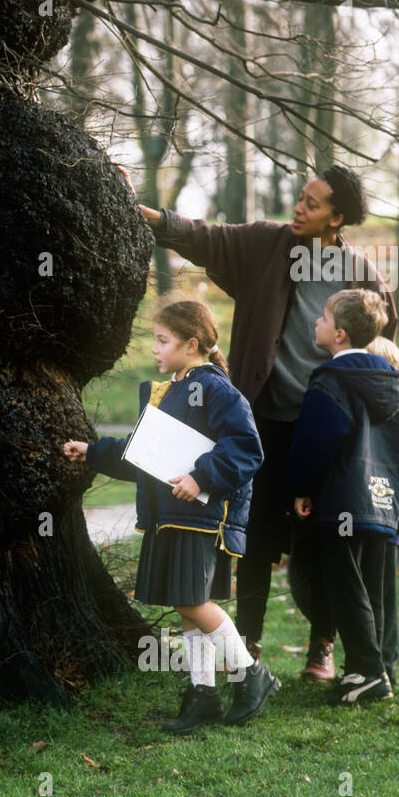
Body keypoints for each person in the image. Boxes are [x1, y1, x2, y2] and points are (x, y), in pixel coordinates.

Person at [138, 167, 396, 670]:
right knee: (254, 534)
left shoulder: (361, 274)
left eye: (313, 204)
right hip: (266, 422)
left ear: (338, 218)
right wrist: (143, 215)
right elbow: (204, 237)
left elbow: (382, 343)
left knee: (323, 537)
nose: (299, 208)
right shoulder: (268, 245)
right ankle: (248, 645)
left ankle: (323, 644)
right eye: (300, 198)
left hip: (328, 429)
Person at [62, 298, 276, 734]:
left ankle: (251, 674)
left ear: (192, 344)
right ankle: (203, 695)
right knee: (187, 607)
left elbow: (246, 449)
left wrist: (201, 478)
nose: (155, 350)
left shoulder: (216, 389)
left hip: (201, 515)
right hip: (170, 516)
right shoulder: (166, 390)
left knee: (191, 601)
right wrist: (93, 451)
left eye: (163, 341)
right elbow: (147, 454)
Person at [285, 291, 399, 706]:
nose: (315, 323)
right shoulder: (392, 383)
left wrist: (301, 489)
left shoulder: (329, 381)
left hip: (341, 505)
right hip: (382, 506)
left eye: (322, 318)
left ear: (339, 334)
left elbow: (316, 441)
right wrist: (397, 495)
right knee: (374, 589)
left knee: (346, 587)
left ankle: (365, 672)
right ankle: (379, 669)